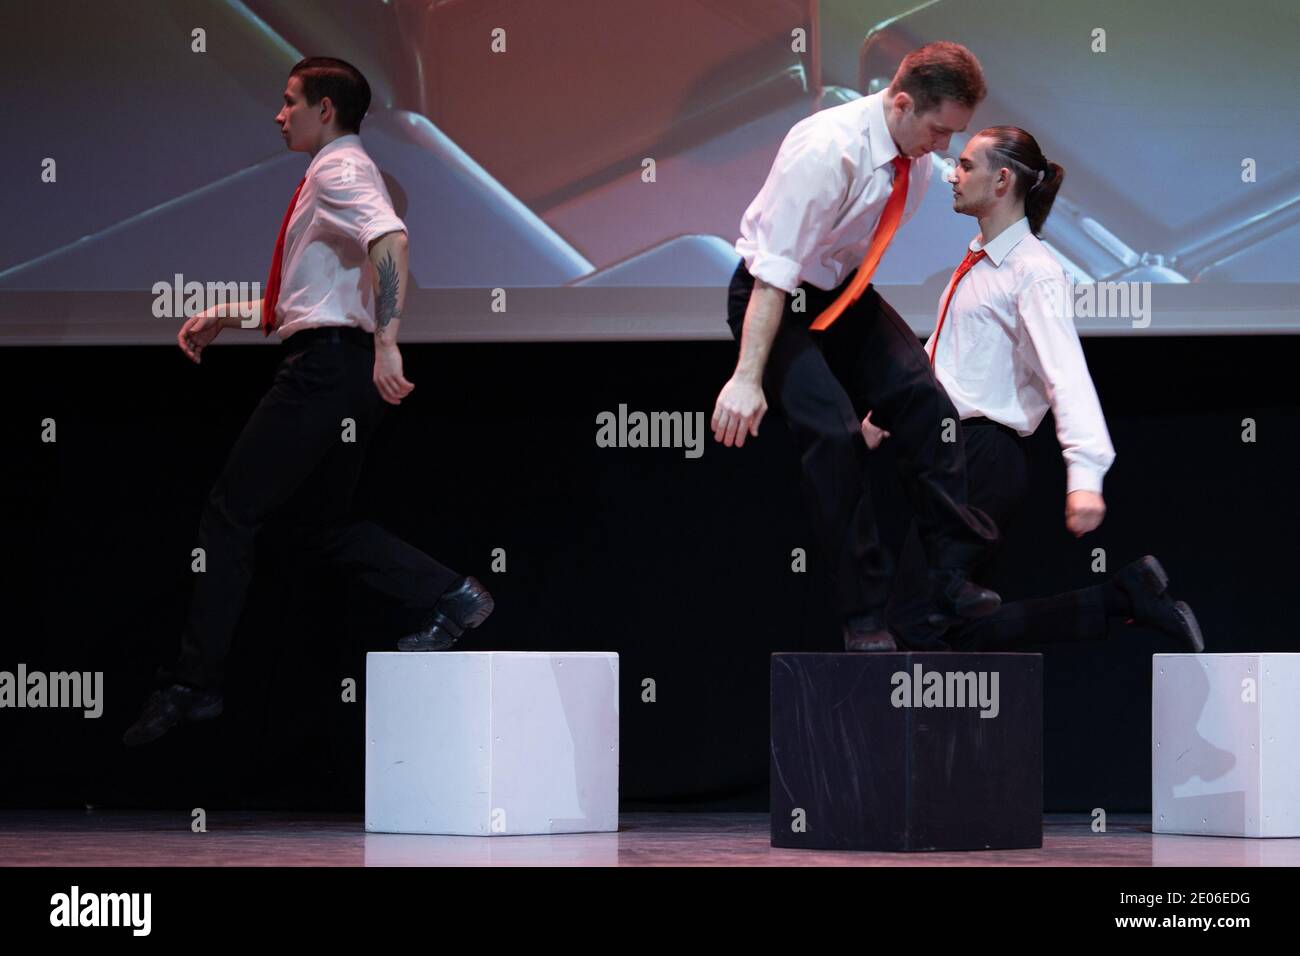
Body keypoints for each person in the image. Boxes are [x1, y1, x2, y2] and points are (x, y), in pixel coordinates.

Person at [123, 57, 493, 748]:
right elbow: (312, 296)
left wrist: (389, 343)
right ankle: (451, 594)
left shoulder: (338, 168)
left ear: (326, 109)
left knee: (230, 514)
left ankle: (194, 684)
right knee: (317, 525)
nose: (278, 113)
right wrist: (225, 315)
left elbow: (390, 240)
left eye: (290, 101)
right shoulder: (331, 176)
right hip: (339, 367)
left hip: (327, 371)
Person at [865, 125, 1202, 652]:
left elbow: (1065, 371)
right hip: (952, 455)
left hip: (982, 456)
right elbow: (948, 352)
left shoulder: (1034, 271)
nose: (954, 174)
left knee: (914, 620)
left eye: (967, 165)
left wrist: (1085, 473)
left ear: (1002, 180)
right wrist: (886, 413)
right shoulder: (979, 258)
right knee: (952, 625)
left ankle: (1124, 598)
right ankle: (1123, 597)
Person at [712, 42, 1001, 652]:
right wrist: (746, 378)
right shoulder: (827, 150)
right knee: (836, 435)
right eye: (938, 129)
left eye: (956, 134)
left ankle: (948, 576)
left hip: (841, 296)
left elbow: (852, 265)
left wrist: (885, 390)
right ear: (901, 103)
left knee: (926, 402)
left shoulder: (913, 162)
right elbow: (774, 273)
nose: (944, 148)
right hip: (776, 298)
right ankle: (864, 615)